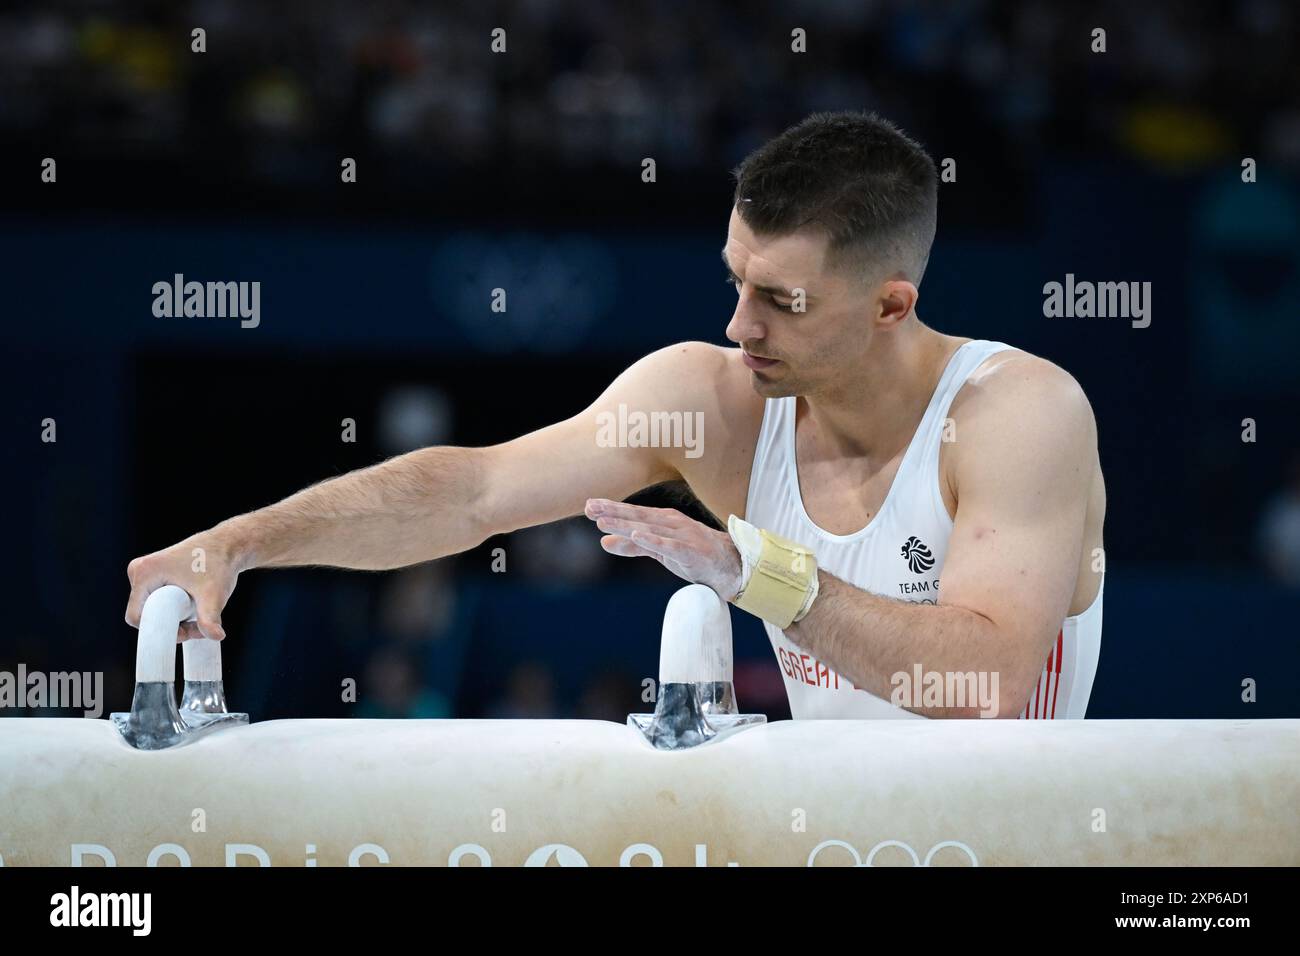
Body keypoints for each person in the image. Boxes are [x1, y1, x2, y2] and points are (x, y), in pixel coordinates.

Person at [126, 111, 1105, 720]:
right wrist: (242, 540)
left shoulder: (1017, 412)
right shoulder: (712, 403)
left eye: (781, 300)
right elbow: (473, 491)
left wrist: (754, 573)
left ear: (891, 304)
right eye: (735, 282)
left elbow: (987, 682)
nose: (738, 323)